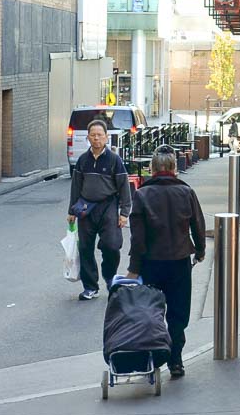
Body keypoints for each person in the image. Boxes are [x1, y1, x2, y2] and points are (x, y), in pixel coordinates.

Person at [125, 147, 206, 378]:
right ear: (174, 168)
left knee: (152, 312)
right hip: (179, 261)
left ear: (152, 168)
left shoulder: (142, 195)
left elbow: (137, 238)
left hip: (151, 263)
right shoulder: (186, 192)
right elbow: (198, 225)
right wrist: (200, 251)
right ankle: (176, 360)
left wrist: (134, 268)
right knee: (178, 314)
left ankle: (154, 357)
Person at [69, 119, 132, 300]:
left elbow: (124, 186)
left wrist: (124, 212)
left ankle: (110, 277)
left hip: (108, 206)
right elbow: (76, 186)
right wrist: (71, 211)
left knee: (112, 245)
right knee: (85, 247)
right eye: (93, 135)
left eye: (99, 135)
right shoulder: (83, 160)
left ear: (106, 137)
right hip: (85, 206)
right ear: (88, 137)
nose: (96, 138)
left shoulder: (114, 160)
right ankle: (90, 287)